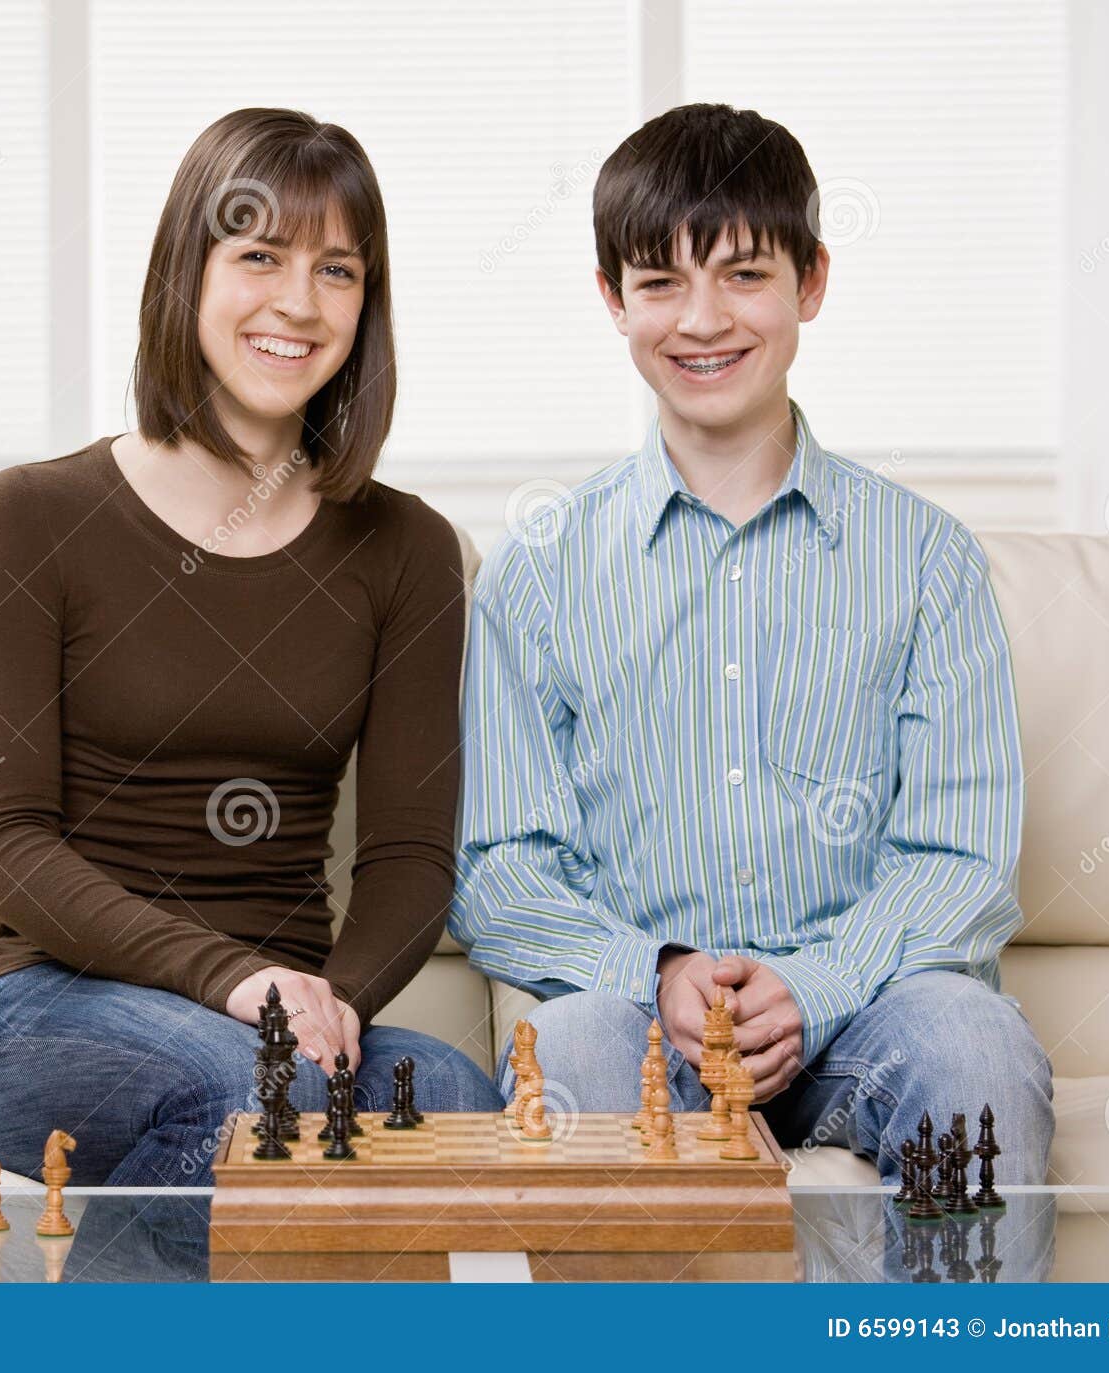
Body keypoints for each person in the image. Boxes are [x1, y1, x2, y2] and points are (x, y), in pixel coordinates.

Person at [449, 103, 1054, 1184]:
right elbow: (502, 867)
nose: (701, 318)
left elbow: (960, 857)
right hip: (643, 1018)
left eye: (742, 274)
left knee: (972, 1036)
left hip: (869, 1007)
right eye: (659, 282)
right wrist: (658, 968)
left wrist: (817, 983)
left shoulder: (925, 558)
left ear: (809, 282)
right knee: (576, 1040)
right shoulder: (537, 571)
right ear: (611, 300)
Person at [0, 107, 501, 1189]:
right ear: (185, 272)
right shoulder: (28, 516)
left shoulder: (408, 548)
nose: (298, 301)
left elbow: (407, 858)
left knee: (453, 1101)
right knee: (258, 1091)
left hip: (280, 1020)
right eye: (258, 255)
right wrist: (241, 986)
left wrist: (324, 1000)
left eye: (337, 270)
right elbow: (4, 837)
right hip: (52, 1004)